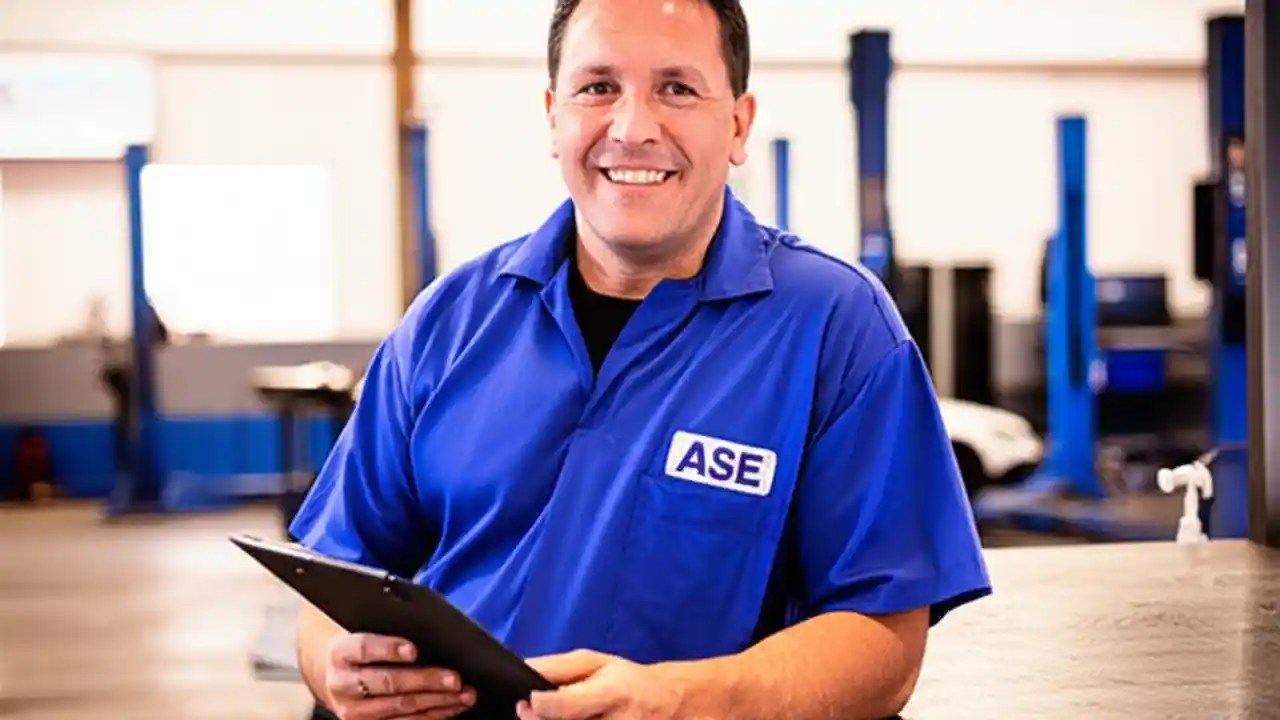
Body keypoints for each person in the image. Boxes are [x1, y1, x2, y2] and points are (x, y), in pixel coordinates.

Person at [288, 1, 991, 718]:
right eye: (598, 87)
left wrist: (680, 701)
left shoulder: (835, 326)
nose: (632, 128)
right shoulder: (448, 322)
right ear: (553, 116)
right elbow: (333, 575)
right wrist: (335, 666)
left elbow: (884, 641)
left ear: (738, 124)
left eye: (677, 89)